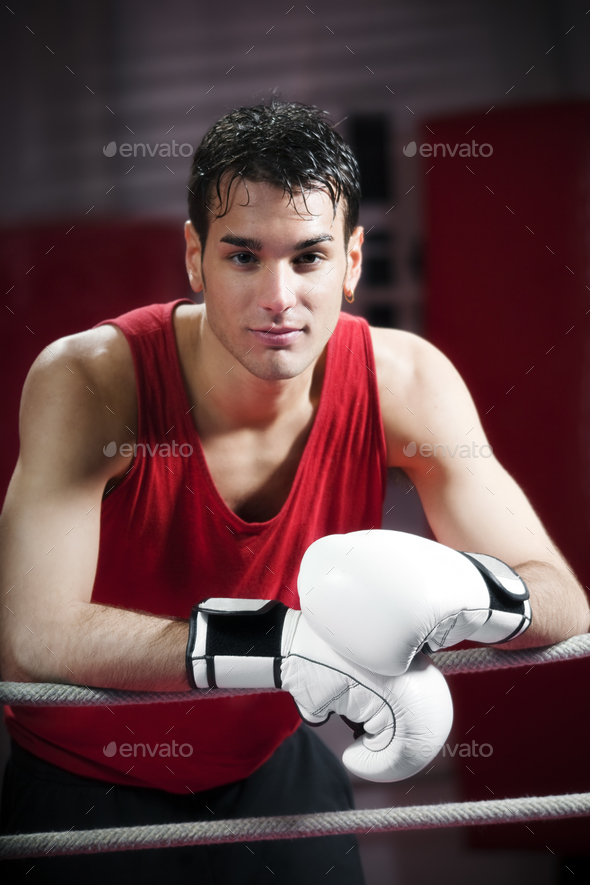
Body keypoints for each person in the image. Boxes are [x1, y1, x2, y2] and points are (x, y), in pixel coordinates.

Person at [0, 98, 587, 884]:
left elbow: (562, 600)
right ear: (194, 257)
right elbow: (33, 635)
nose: (279, 297)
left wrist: (458, 590)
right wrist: (280, 648)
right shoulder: (93, 380)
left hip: (273, 767)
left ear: (350, 261)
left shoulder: (404, 380)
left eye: (308, 257)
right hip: (83, 781)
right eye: (244, 256)